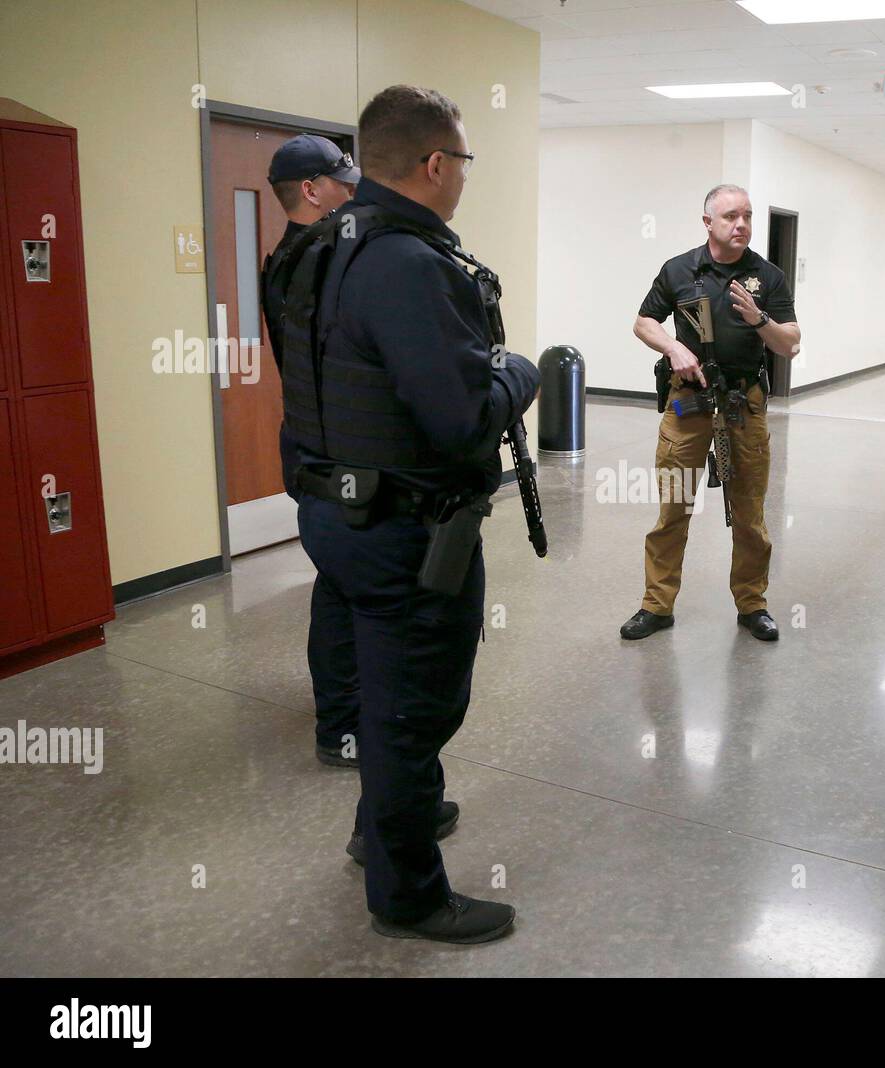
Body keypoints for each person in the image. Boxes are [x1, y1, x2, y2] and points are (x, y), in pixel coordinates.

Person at [280, 85, 540, 942]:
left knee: (383, 689)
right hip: (405, 532)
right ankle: (409, 895)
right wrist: (520, 373)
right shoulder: (412, 265)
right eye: (462, 161)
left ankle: (385, 822)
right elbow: (462, 417)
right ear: (436, 165)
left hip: (336, 514)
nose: (463, 176)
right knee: (412, 710)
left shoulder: (322, 247)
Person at [620, 184, 801, 643]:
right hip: (688, 402)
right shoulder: (679, 269)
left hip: (744, 405)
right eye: (730, 217)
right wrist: (673, 346)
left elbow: (791, 343)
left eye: (747, 216)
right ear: (708, 223)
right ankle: (656, 606)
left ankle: (752, 604)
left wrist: (760, 319)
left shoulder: (768, 276)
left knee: (749, 513)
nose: (741, 225)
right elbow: (643, 321)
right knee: (674, 507)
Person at [261, 133, 361, 769]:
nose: (350, 190)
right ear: (310, 190)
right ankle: (340, 726)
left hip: (309, 440)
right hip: (326, 448)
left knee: (342, 581)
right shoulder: (319, 257)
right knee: (343, 587)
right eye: (340, 180)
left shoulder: (286, 257)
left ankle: (347, 706)